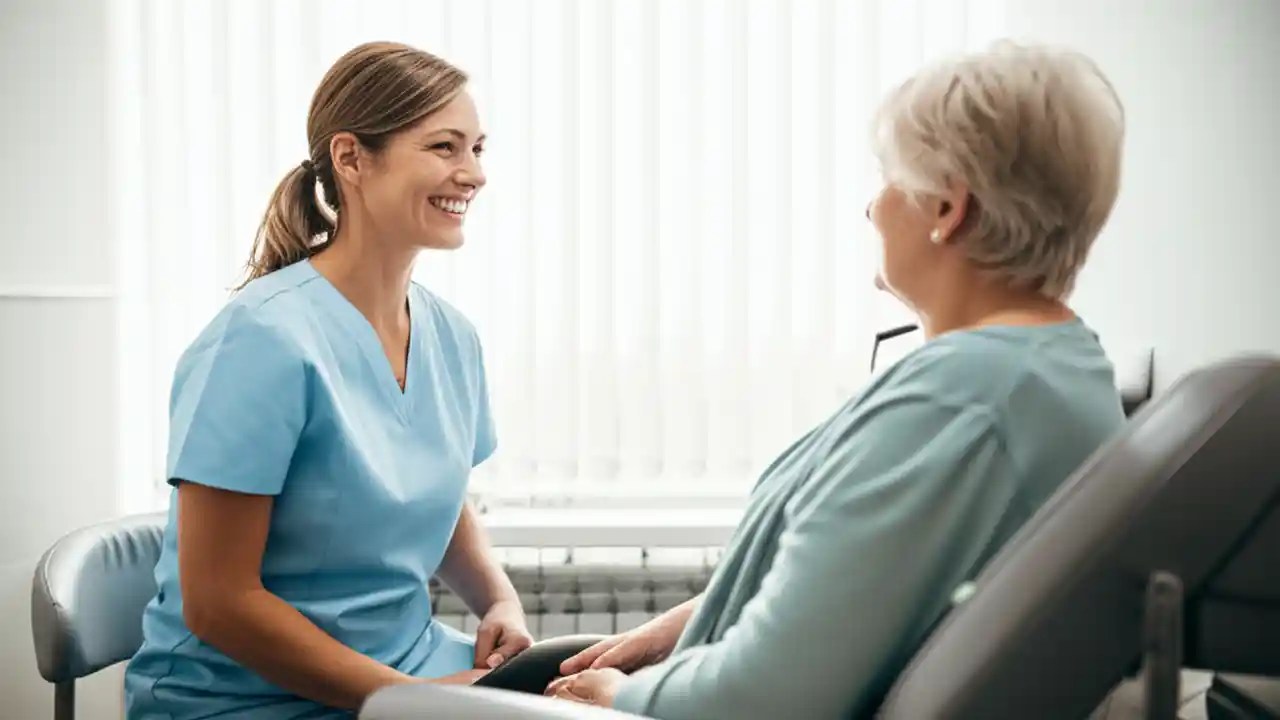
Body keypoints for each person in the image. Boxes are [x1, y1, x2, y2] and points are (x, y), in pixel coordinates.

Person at [546, 41, 1128, 719]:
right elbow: (875, 584)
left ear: (947, 208)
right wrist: (673, 632)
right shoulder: (1051, 367)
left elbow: (762, 700)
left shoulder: (962, 399)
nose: (872, 207)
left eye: (887, 177)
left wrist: (620, 698)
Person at [124, 42, 532, 718]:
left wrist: (499, 600)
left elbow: (438, 490)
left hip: (407, 668)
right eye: (444, 147)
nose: (473, 174)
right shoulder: (261, 340)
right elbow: (218, 601)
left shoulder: (452, 337)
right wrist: (410, 701)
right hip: (249, 699)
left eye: (478, 149)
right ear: (350, 159)